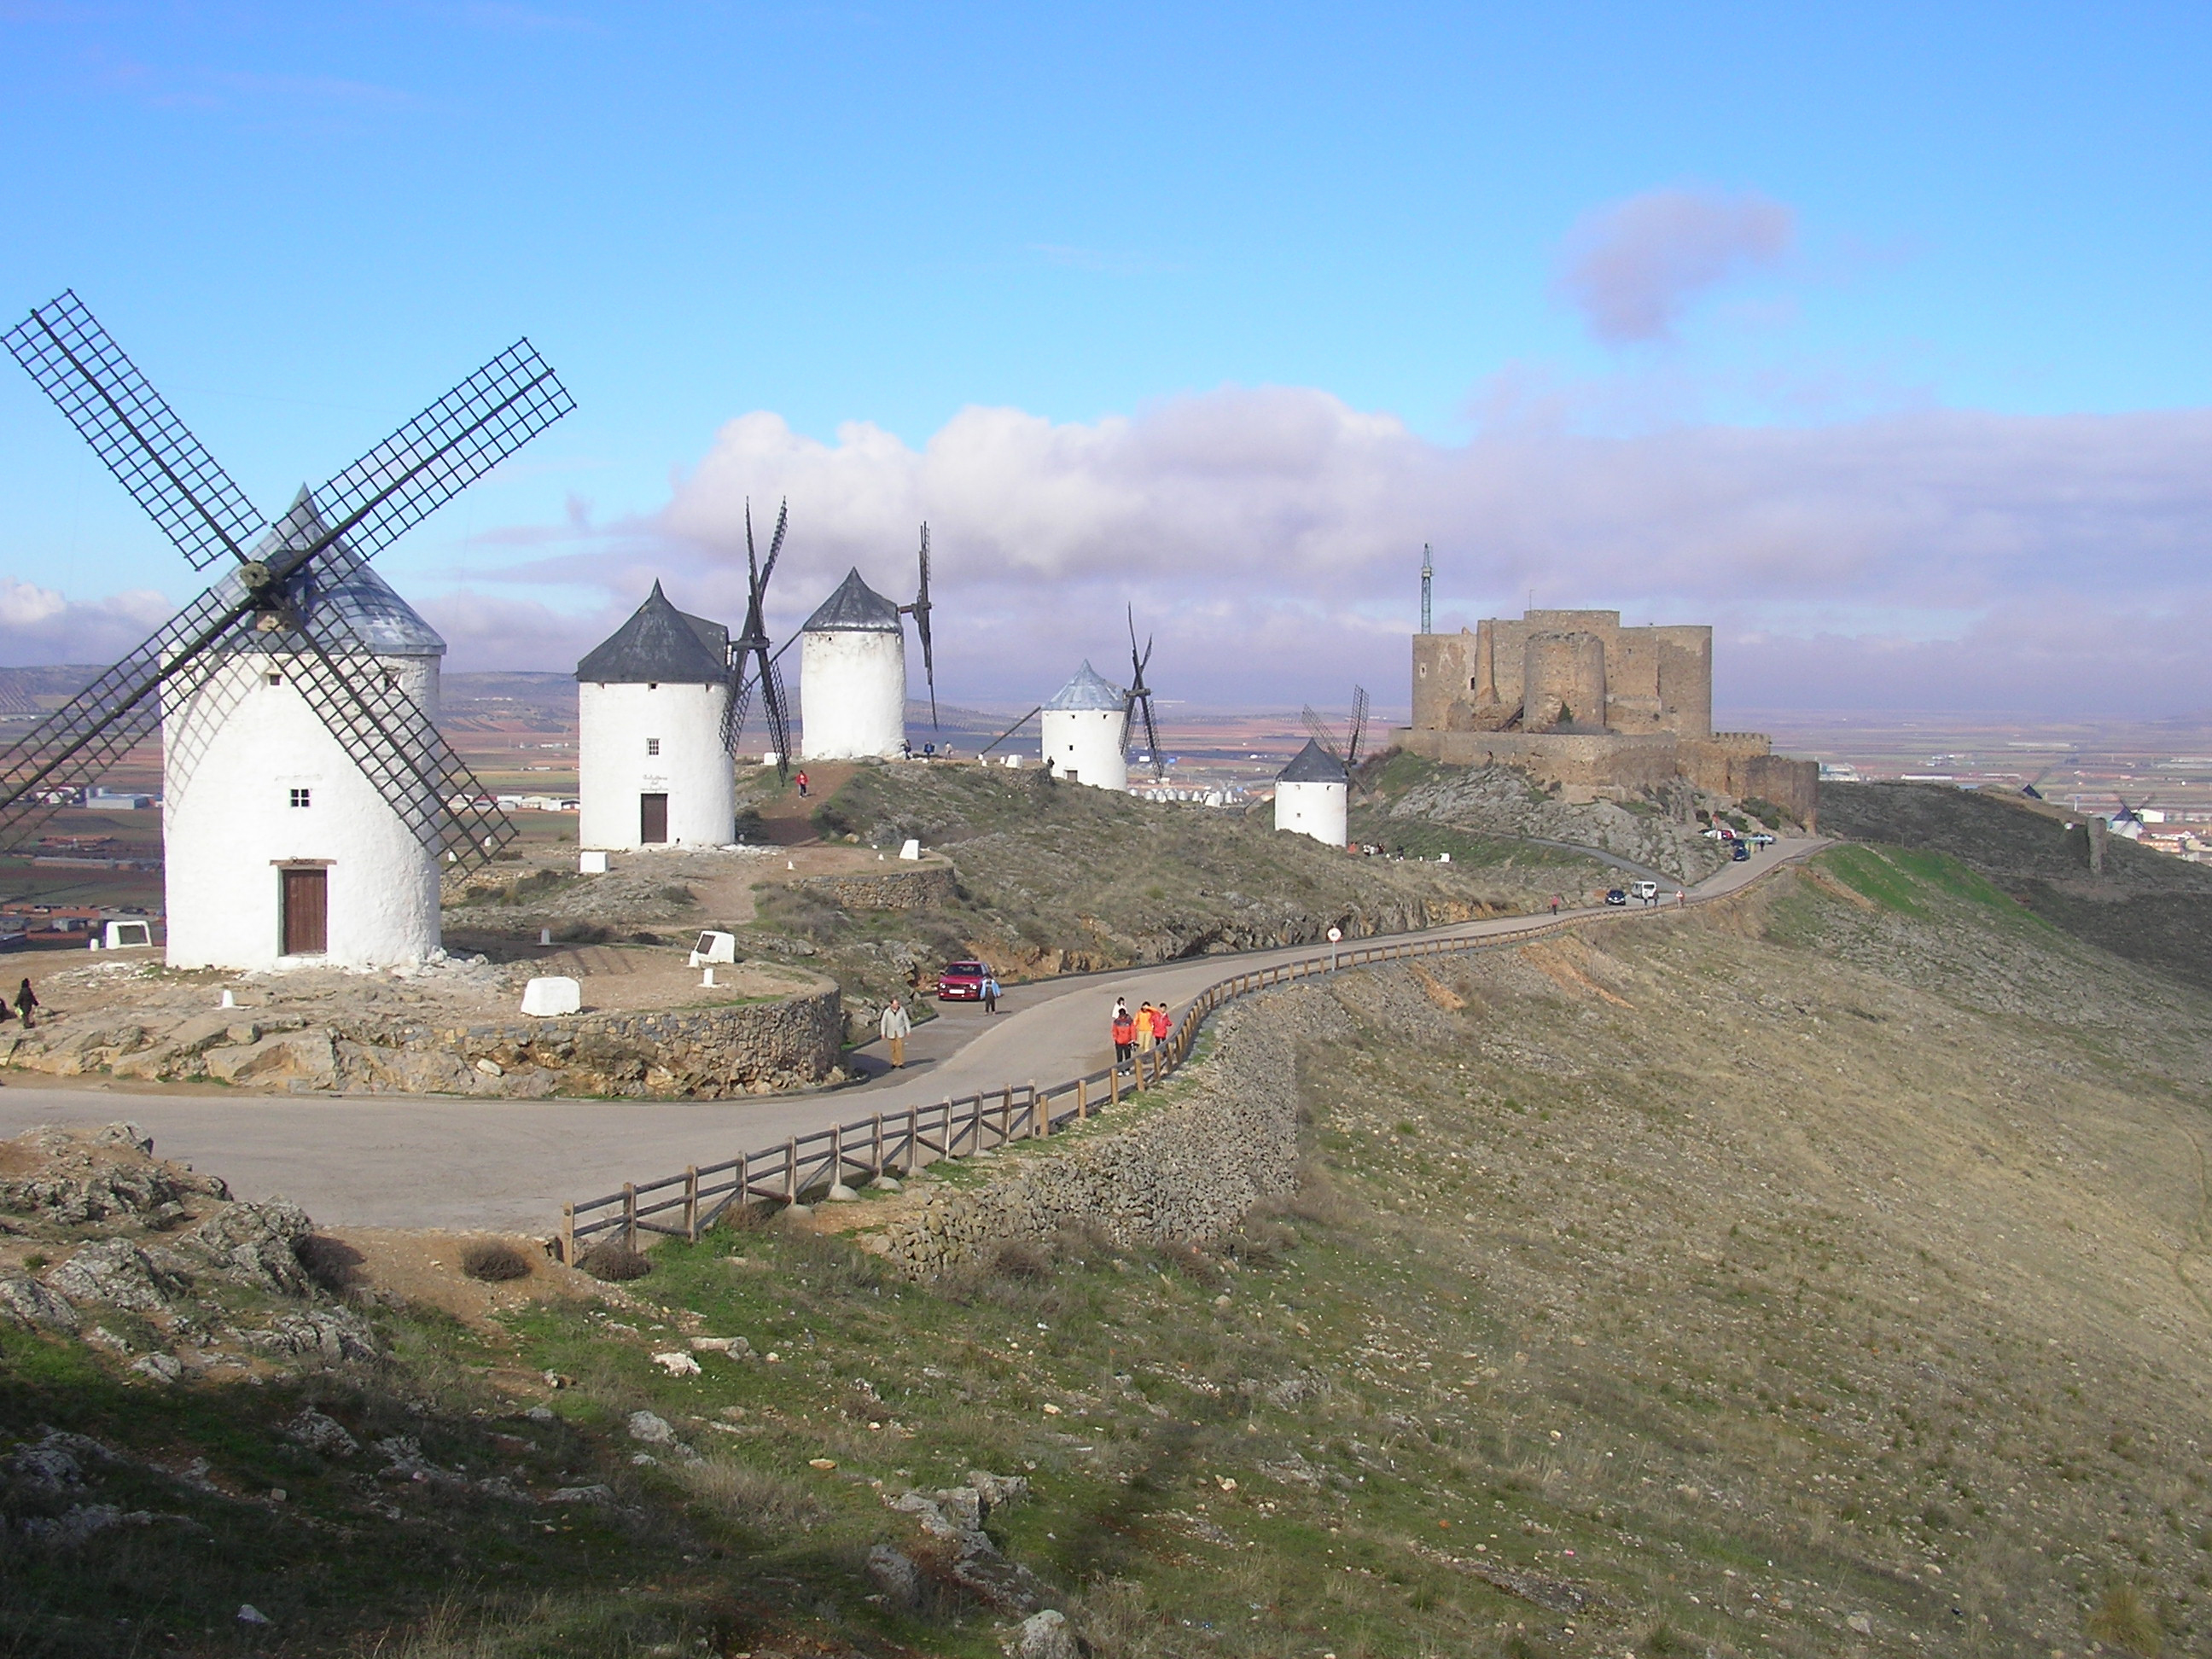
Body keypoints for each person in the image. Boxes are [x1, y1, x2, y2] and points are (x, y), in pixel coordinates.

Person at [879, 997, 911, 1068]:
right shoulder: (887, 1012)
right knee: (893, 1048)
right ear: (891, 1005)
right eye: (895, 1004)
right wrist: (883, 1033)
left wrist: (908, 1030)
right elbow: (883, 1022)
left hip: (900, 1031)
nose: (897, 1006)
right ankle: (894, 1062)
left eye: (897, 1004)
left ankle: (900, 1062)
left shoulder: (902, 1010)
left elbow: (906, 1020)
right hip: (891, 1032)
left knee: (900, 1047)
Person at [1111, 1000, 1135, 1068]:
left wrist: (1133, 1039)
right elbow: (1114, 1031)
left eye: (1123, 1015)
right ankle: (1120, 1069)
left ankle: (1127, 1069)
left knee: (1128, 1056)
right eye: (1121, 1015)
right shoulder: (1116, 1022)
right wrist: (1115, 1038)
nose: (1122, 1017)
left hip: (1127, 1041)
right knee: (1119, 1056)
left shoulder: (1129, 1021)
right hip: (1119, 1042)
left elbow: (1133, 1030)